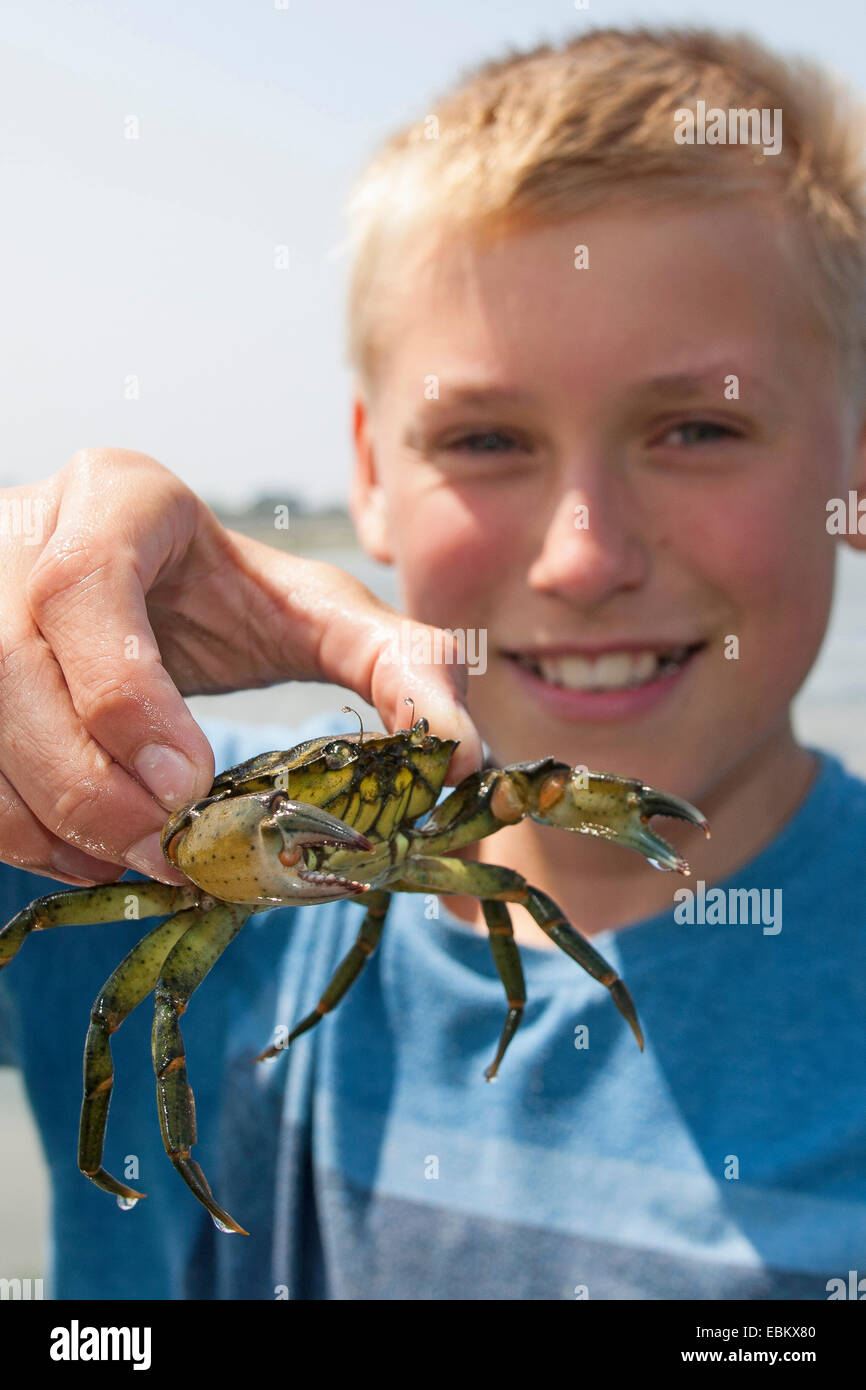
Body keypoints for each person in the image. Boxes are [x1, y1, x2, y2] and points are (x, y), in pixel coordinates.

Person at [2, 23, 865, 1300]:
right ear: (368, 475)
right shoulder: (93, 827)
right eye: (484, 438)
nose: (584, 557)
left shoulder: (444, 820)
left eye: (695, 425)